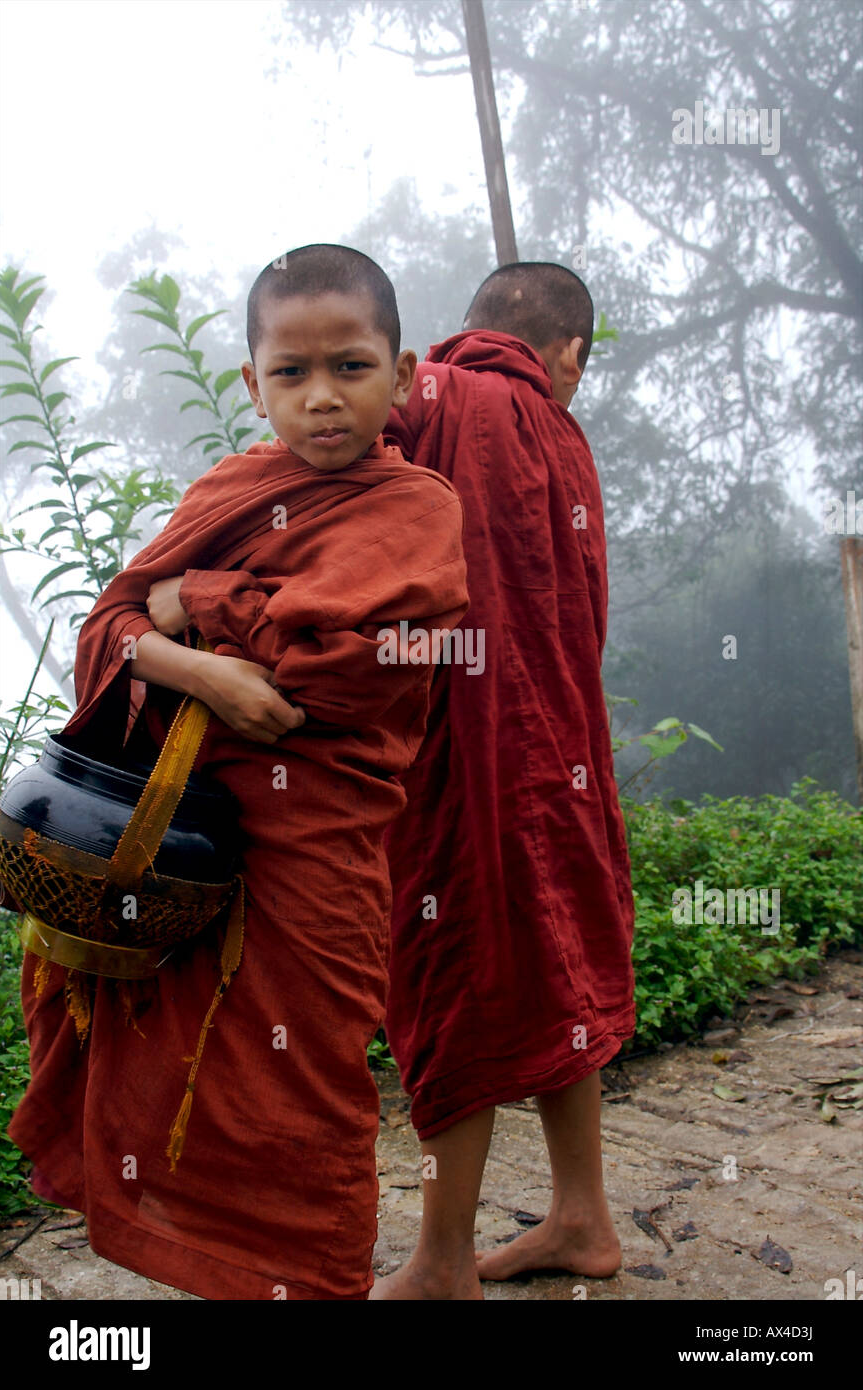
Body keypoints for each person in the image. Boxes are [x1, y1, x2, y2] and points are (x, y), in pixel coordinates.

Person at [8, 244, 469, 1301]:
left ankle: (312, 1282)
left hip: (317, 864)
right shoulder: (231, 489)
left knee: (303, 1100)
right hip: (186, 849)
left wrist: (196, 604)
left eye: (351, 368)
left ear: (401, 378)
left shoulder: (418, 507)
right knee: (182, 1081)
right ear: (252, 384)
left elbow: (357, 665)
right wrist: (197, 663)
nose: (322, 400)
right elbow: (110, 626)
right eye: (293, 373)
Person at [372, 262, 635, 1301]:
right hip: (558, 756)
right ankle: (581, 1216)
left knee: (456, 978)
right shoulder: (560, 433)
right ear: (567, 354)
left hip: (458, 754)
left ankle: (445, 1259)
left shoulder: (430, 393)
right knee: (555, 960)